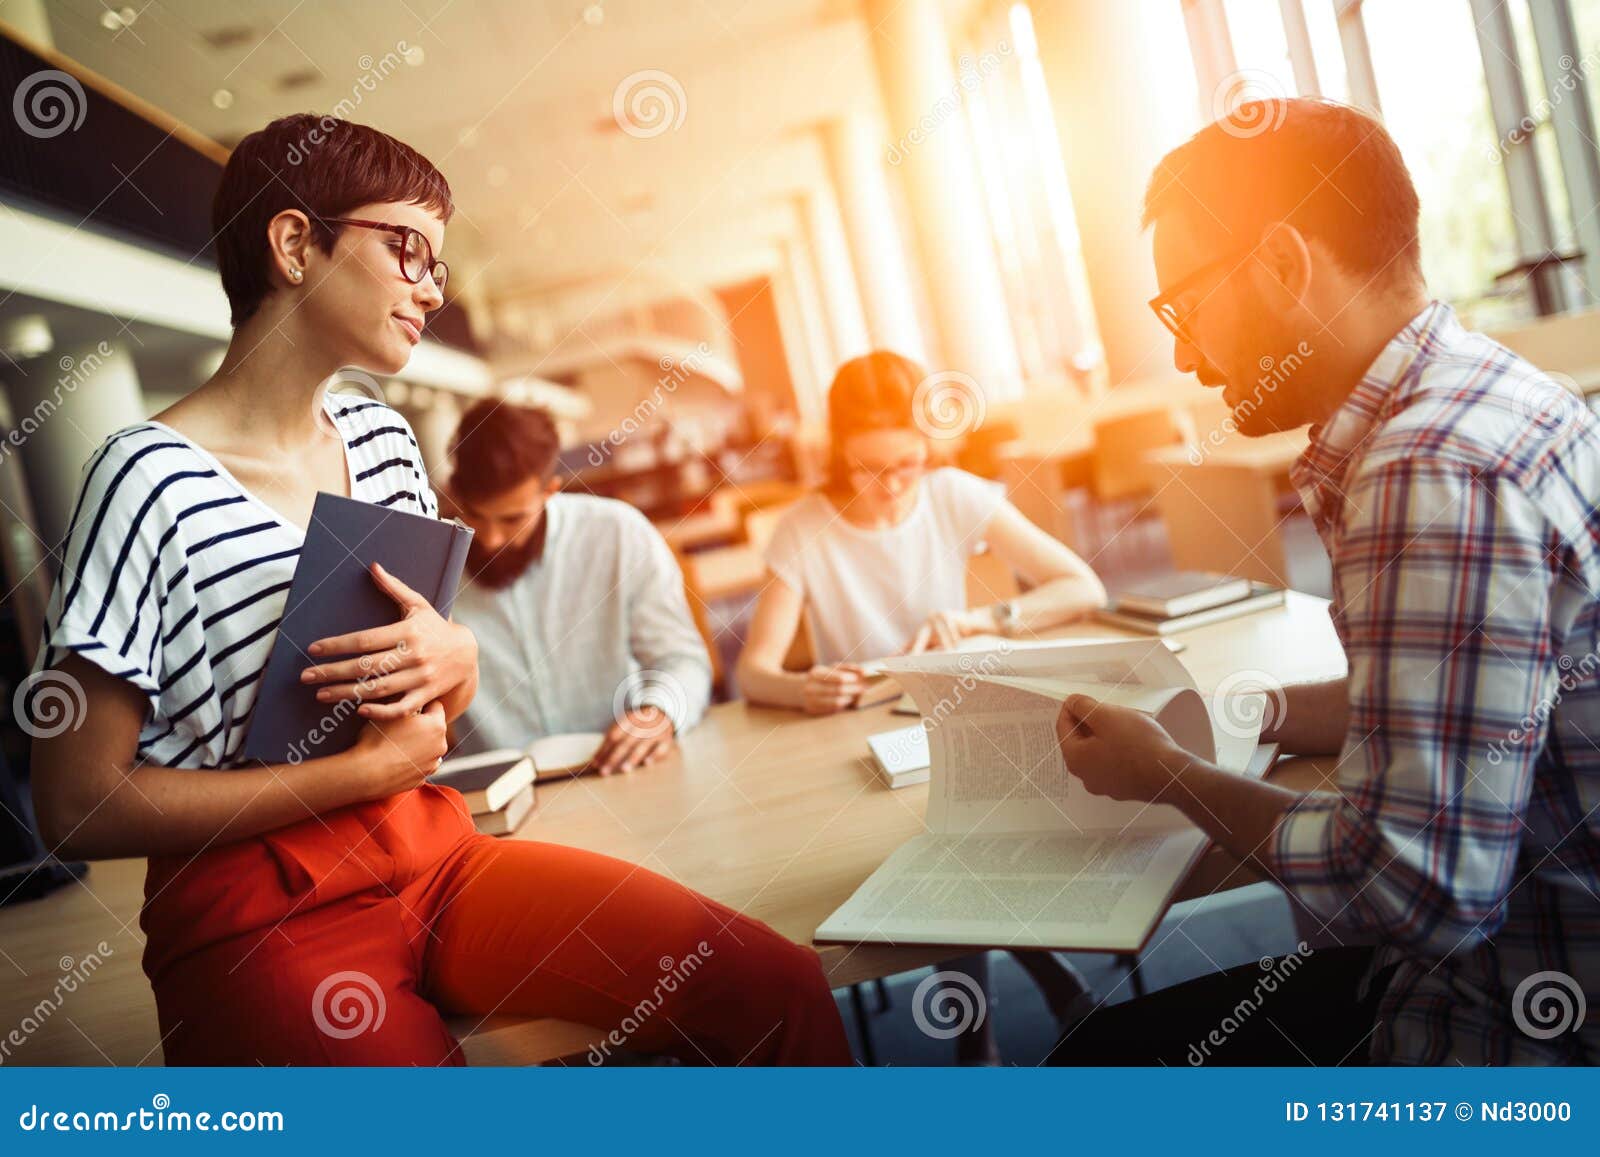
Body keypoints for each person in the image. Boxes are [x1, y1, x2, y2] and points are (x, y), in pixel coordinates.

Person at [24, 114, 849, 1067]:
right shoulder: (144, 480)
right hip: (259, 913)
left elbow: (430, 707)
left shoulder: (384, 439)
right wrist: (352, 777)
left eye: (437, 263)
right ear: (295, 245)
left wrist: (459, 659)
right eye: (406, 249)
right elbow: (76, 803)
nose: (430, 287)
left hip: (434, 852)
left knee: (775, 985)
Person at [1051, 98, 1598, 1065]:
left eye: (1184, 307)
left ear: (1280, 263)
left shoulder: (1427, 468)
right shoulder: (1488, 388)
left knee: (1088, 1068)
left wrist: (1167, 775)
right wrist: (1251, 708)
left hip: (1516, 1018)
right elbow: (1469, 695)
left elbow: (1412, 887)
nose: (1183, 353)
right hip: (1527, 949)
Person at [737, 350, 1107, 713]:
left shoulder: (951, 493)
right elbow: (753, 674)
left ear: (927, 445)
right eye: (870, 468)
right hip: (858, 718)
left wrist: (978, 622)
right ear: (840, 452)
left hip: (954, 705)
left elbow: (1084, 589)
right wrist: (801, 690)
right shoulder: (801, 530)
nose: (892, 486)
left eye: (907, 463)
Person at [444, 399, 712, 774]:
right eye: (474, 514)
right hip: (500, 792)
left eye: (512, 519)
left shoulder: (618, 534)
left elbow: (683, 660)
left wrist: (659, 714)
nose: (490, 539)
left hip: (623, 769)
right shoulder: (434, 564)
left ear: (550, 491)